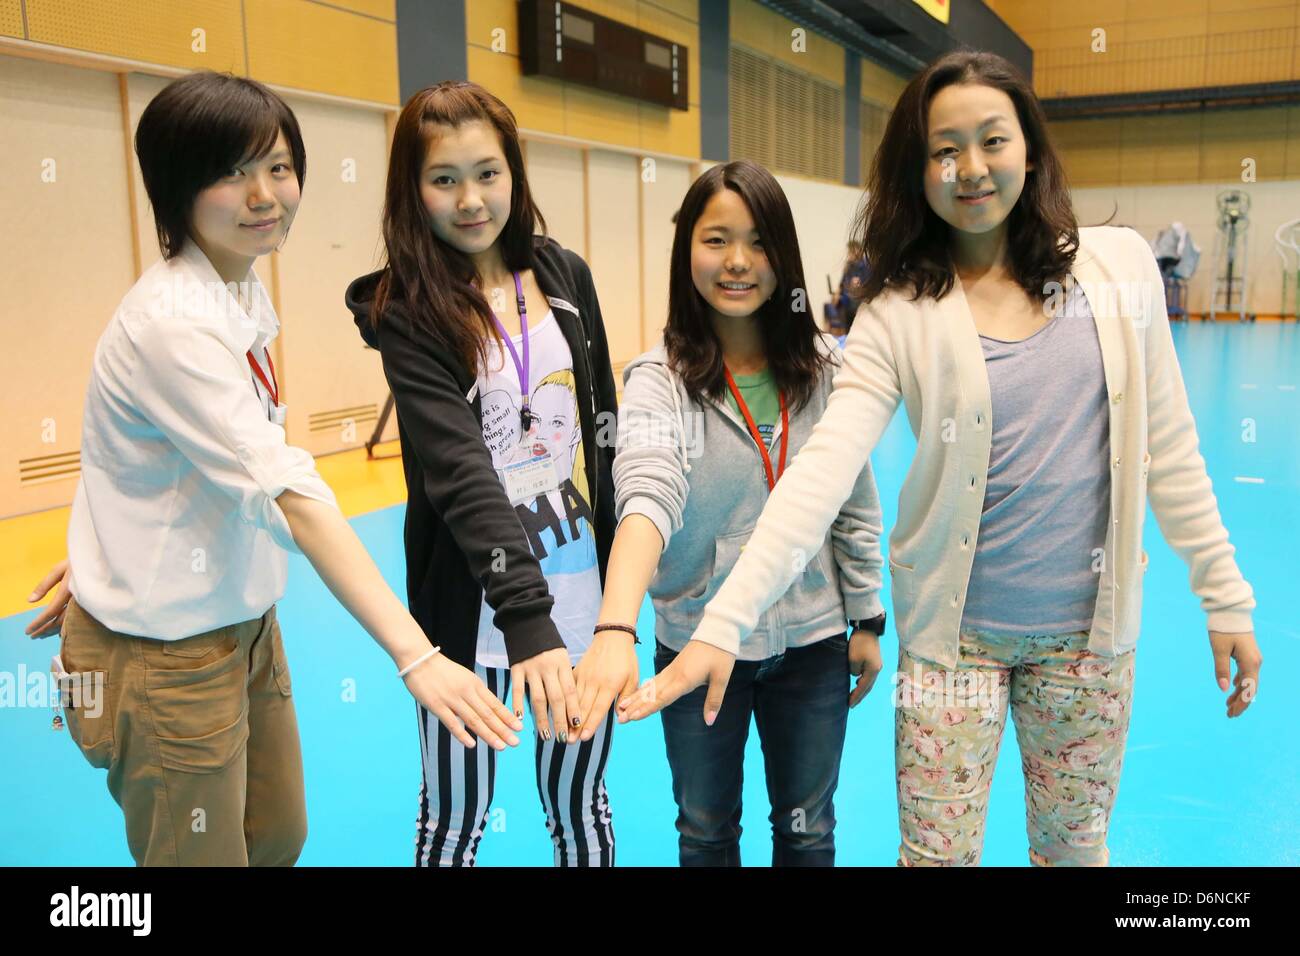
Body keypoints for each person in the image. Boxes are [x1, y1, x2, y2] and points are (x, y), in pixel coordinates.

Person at [619, 51, 1262, 867]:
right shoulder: (897, 312)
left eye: (992, 139)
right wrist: (723, 622)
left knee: (1074, 851)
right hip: (950, 646)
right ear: (917, 170)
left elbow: (1167, 445)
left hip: (1090, 643)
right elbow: (819, 477)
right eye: (943, 149)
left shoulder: (1122, 268)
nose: (971, 168)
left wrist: (1225, 594)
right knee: (936, 859)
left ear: (1028, 145)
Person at [24, 71, 520, 867]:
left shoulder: (237, 290)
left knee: (277, 837)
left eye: (280, 167)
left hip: (247, 626)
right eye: (230, 172)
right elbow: (294, 496)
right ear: (176, 185)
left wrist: (100, 551)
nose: (265, 195)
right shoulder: (173, 324)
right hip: (168, 654)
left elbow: (145, 446)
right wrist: (417, 655)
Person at [344, 81, 621, 867]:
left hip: (577, 603)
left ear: (515, 173)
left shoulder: (565, 276)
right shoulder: (408, 311)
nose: (471, 200)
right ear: (413, 190)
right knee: (454, 820)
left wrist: (619, 603)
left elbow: (603, 430)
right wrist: (525, 621)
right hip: (473, 612)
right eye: (444, 179)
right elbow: (461, 474)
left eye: (488, 173)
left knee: (581, 809)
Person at [588, 160, 885, 866]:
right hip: (694, 645)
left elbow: (853, 500)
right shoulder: (659, 382)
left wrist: (868, 617)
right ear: (685, 249)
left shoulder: (823, 370)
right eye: (716, 240)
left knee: (808, 831)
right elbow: (647, 494)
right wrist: (614, 624)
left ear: (783, 253)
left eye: (758, 241)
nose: (739, 263)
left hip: (813, 641)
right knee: (705, 830)